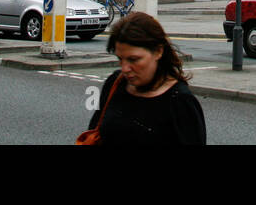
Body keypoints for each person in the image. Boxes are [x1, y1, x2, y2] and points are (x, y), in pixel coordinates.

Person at [84, 12, 206, 145]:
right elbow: (95, 131)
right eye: (120, 59)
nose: (125, 68)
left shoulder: (180, 101)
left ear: (158, 51)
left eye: (133, 59)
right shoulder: (115, 83)